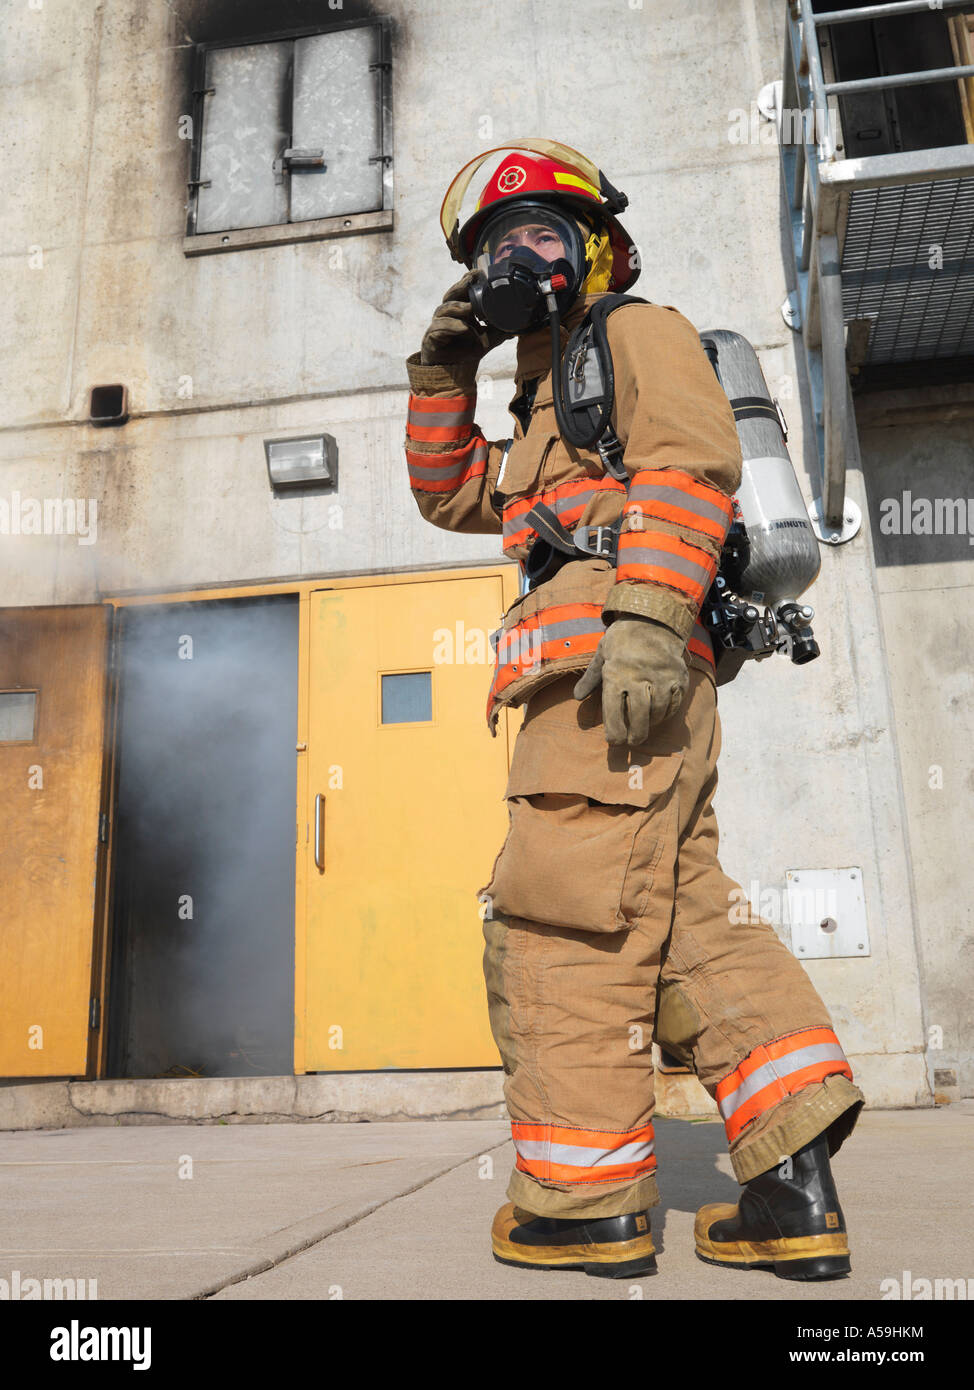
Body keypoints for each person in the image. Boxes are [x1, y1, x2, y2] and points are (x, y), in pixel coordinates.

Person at [404, 141, 864, 1281]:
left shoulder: (629, 333)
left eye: (546, 236)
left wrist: (651, 621)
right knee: (679, 914)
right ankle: (790, 1174)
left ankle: (584, 1201)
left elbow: (689, 467)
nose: (523, 257)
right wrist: (440, 375)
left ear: (597, 247)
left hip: (614, 682)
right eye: (500, 246)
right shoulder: (549, 388)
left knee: (563, 920)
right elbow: (453, 493)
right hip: (606, 688)